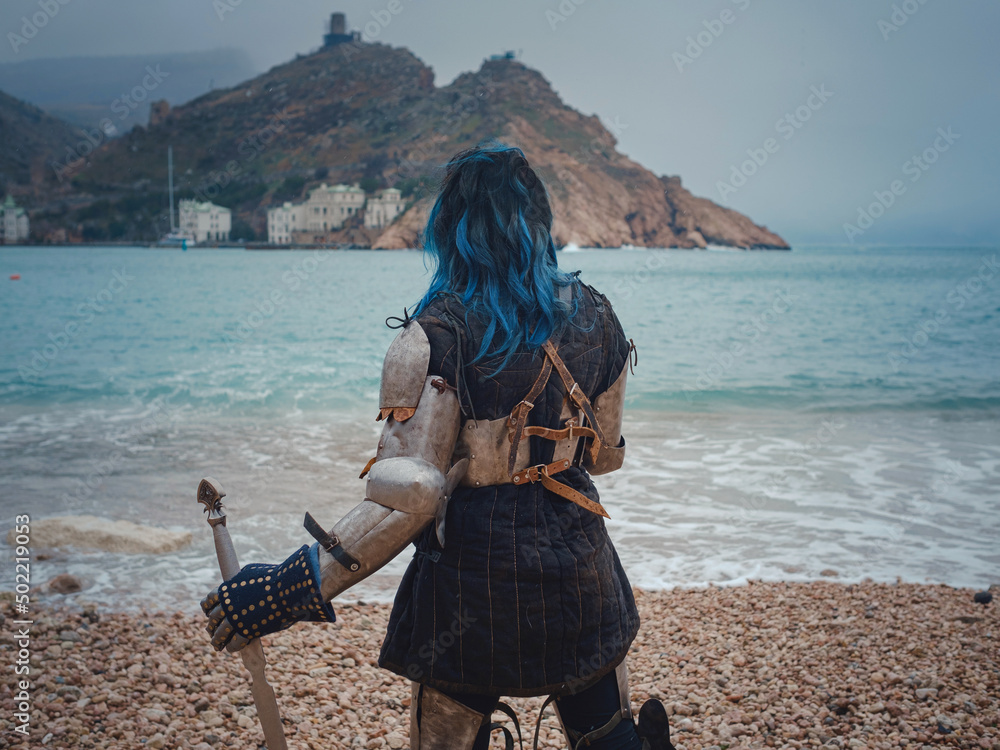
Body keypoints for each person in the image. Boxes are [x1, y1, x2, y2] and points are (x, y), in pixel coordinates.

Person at [202, 143, 674, 749]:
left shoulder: (432, 335)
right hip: (579, 568)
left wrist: (288, 588)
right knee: (611, 737)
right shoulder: (599, 316)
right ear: (540, 221)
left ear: (452, 230)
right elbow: (605, 458)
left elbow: (417, 492)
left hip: (469, 584)